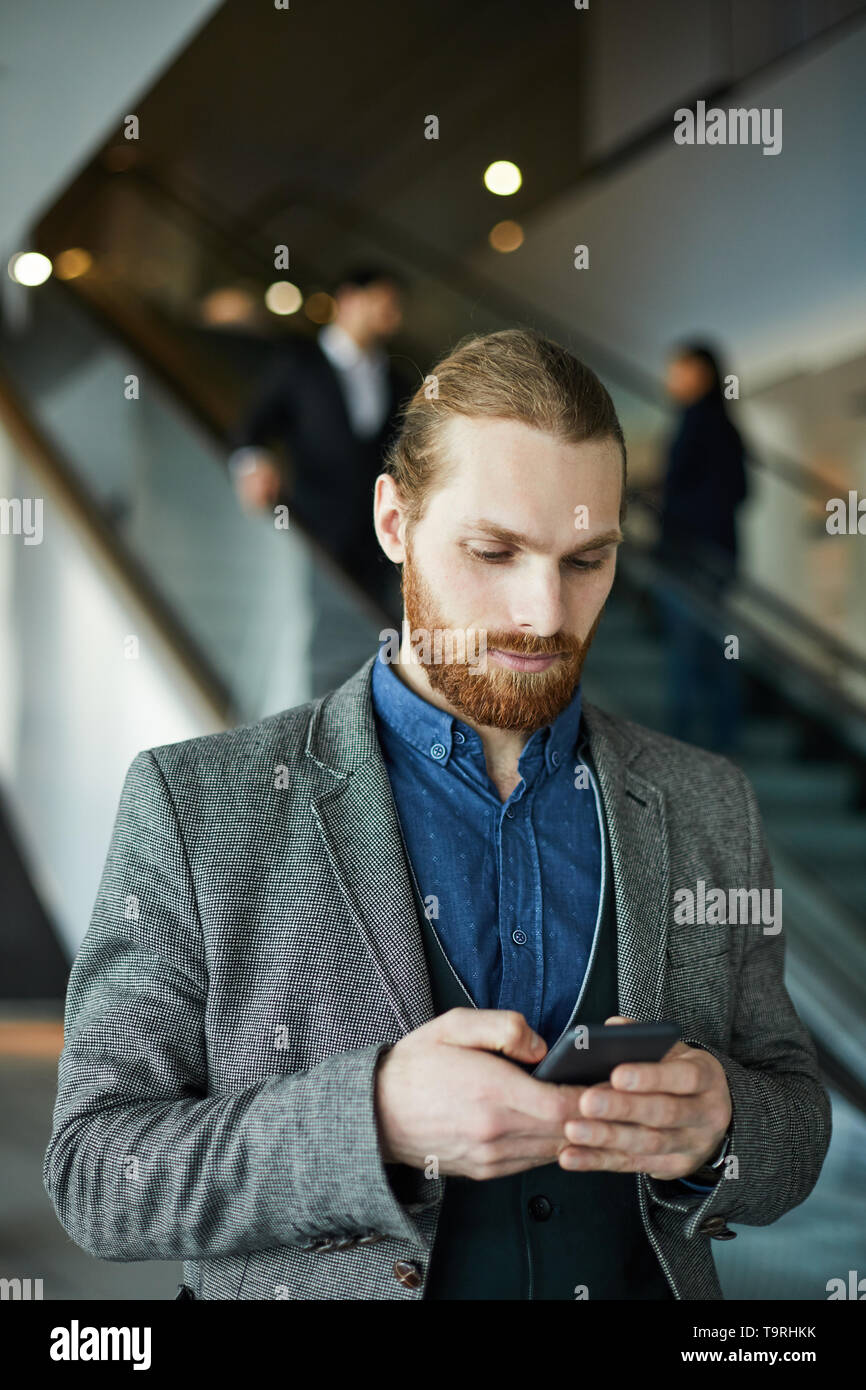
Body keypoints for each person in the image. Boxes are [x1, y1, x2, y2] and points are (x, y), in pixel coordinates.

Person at [45, 329, 829, 1301]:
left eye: (587, 559)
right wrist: (370, 1120)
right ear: (391, 520)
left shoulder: (706, 801)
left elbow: (793, 1114)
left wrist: (719, 1128)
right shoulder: (197, 804)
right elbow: (94, 1172)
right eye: (493, 550)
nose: (544, 612)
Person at [228, 265, 410, 615]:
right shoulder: (300, 363)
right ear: (349, 299)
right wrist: (254, 464)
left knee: (371, 626)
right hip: (313, 530)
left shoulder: (395, 376)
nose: (393, 315)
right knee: (317, 624)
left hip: (375, 538)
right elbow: (252, 427)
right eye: (384, 302)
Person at [657, 342, 749, 751]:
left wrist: (674, 517)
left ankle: (685, 742)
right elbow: (743, 491)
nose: (672, 379)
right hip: (716, 552)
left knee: (689, 650)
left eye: (681, 370)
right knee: (709, 648)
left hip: (691, 554)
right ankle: (722, 738)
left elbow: (700, 488)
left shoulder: (698, 421)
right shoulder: (723, 424)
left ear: (703, 374)